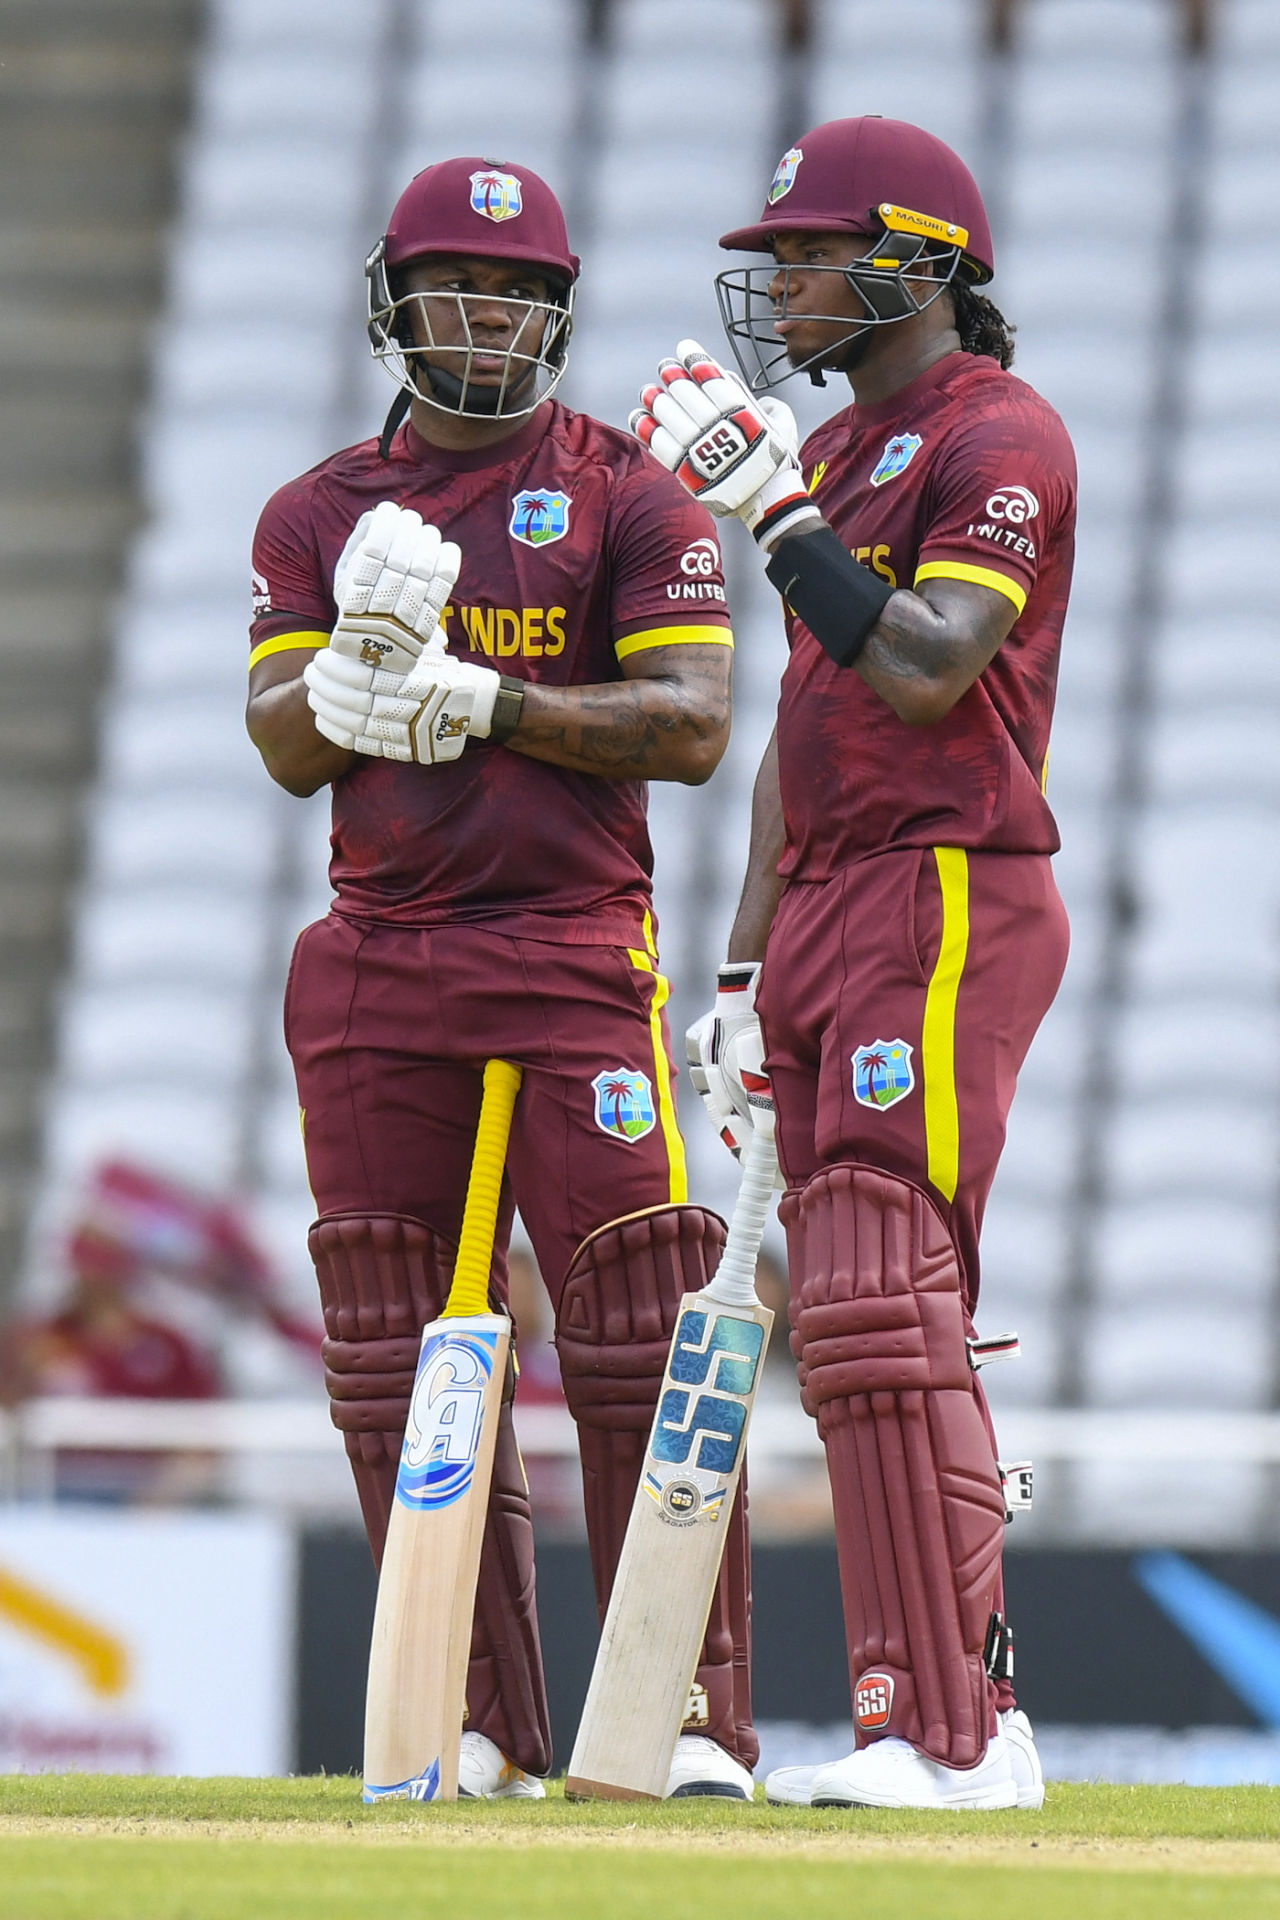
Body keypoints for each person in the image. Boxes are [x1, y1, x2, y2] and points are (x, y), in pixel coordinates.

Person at [245, 157, 756, 1799]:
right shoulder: (318, 513)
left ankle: (685, 1720)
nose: (491, 316)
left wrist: (485, 701)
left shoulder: (627, 494)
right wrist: (354, 672)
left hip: (568, 952)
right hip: (378, 957)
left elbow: (692, 726)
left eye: (523, 292)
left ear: (561, 313)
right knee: (394, 1342)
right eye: (460, 287)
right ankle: (477, 1721)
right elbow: (283, 749)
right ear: (393, 303)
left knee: (638, 1331)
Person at [636, 116, 1075, 1809]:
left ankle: (959, 1731)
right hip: (827, 904)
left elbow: (927, 665)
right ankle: (925, 1717)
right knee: (849, 1315)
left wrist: (774, 512)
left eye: (813, 255)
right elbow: (802, 730)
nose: (785, 286)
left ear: (922, 263)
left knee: (890, 1294)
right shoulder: (842, 450)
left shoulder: (997, 431)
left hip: (945, 885)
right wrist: (740, 976)